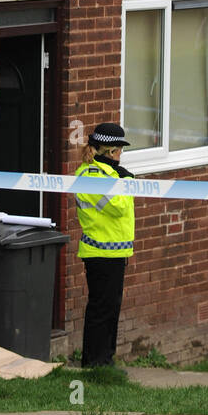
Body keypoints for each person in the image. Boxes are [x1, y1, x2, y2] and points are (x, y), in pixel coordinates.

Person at [75, 121, 135, 368]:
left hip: (112, 250)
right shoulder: (93, 175)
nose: (121, 155)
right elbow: (118, 207)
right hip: (102, 252)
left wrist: (121, 179)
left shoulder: (104, 173)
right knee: (102, 309)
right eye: (120, 150)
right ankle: (95, 363)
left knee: (110, 308)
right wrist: (127, 183)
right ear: (112, 151)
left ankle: (104, 360)